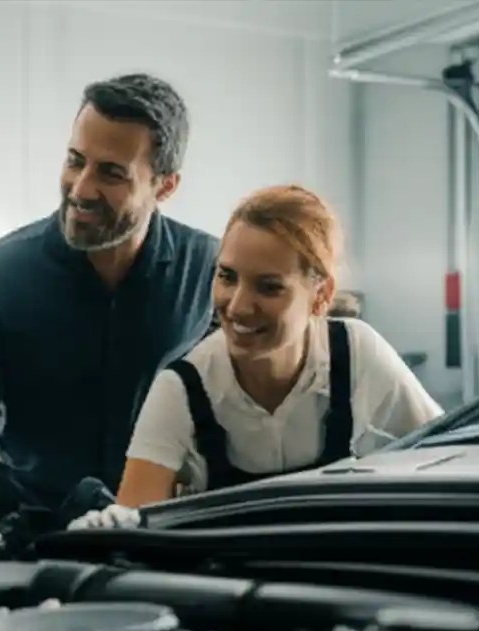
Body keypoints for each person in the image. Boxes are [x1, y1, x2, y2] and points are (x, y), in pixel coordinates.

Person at [0, 73, 220, 521]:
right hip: (36, 527)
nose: (81, 189)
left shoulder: (210, 271)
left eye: (111, 173)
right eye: (75, 160)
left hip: (163, 528)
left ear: (165, 186)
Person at [72, 185, 443, 526]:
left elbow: (451, 454)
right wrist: (107, 525)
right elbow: (131, 531)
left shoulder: (357, 353)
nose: (237, 306)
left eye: (268, 287)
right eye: (227, 277)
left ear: (321, 294)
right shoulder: (182, 389)